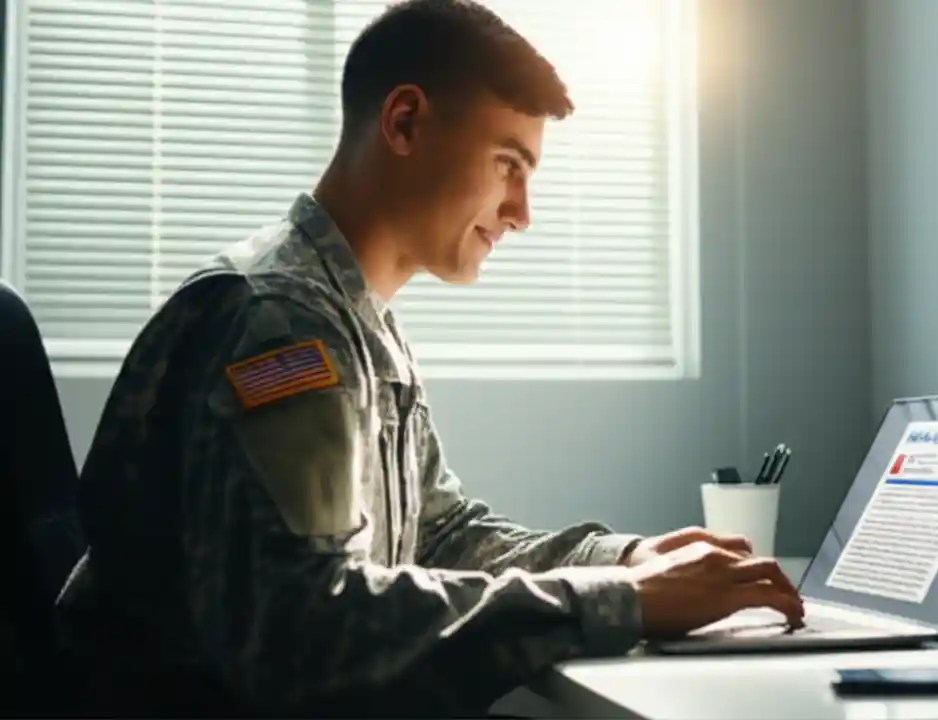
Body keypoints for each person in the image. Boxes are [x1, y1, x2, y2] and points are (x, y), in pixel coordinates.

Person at [54, 1, 804, 716]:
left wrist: (627, 558)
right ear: (405, 122)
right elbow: (309, 631)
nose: (522, 213)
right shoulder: (282, 324)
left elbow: (439, 534)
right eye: (509, 163)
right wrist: (625, 602)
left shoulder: (352, 320)